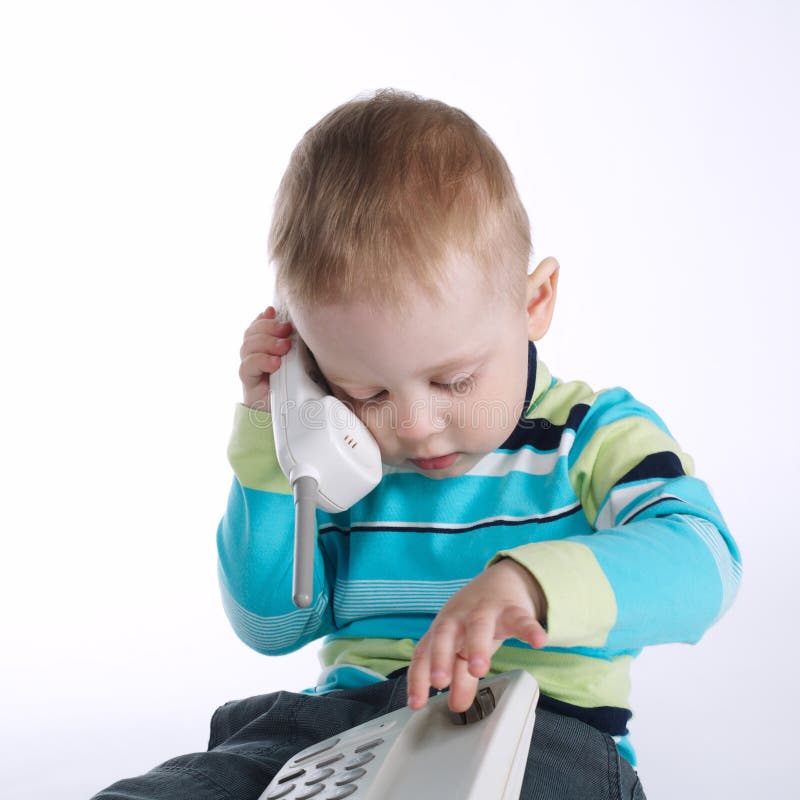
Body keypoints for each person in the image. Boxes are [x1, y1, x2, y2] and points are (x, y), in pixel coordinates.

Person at [93, 89, 740, 800]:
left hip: (540, 728)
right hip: (340, 727)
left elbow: (703, 559)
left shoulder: (593, 435)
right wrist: (275, 445)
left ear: (534, 303)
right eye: (366, 392)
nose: (412, 425)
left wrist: (531, 582)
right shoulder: (339, 459)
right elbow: (270, 624)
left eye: (454, 379)